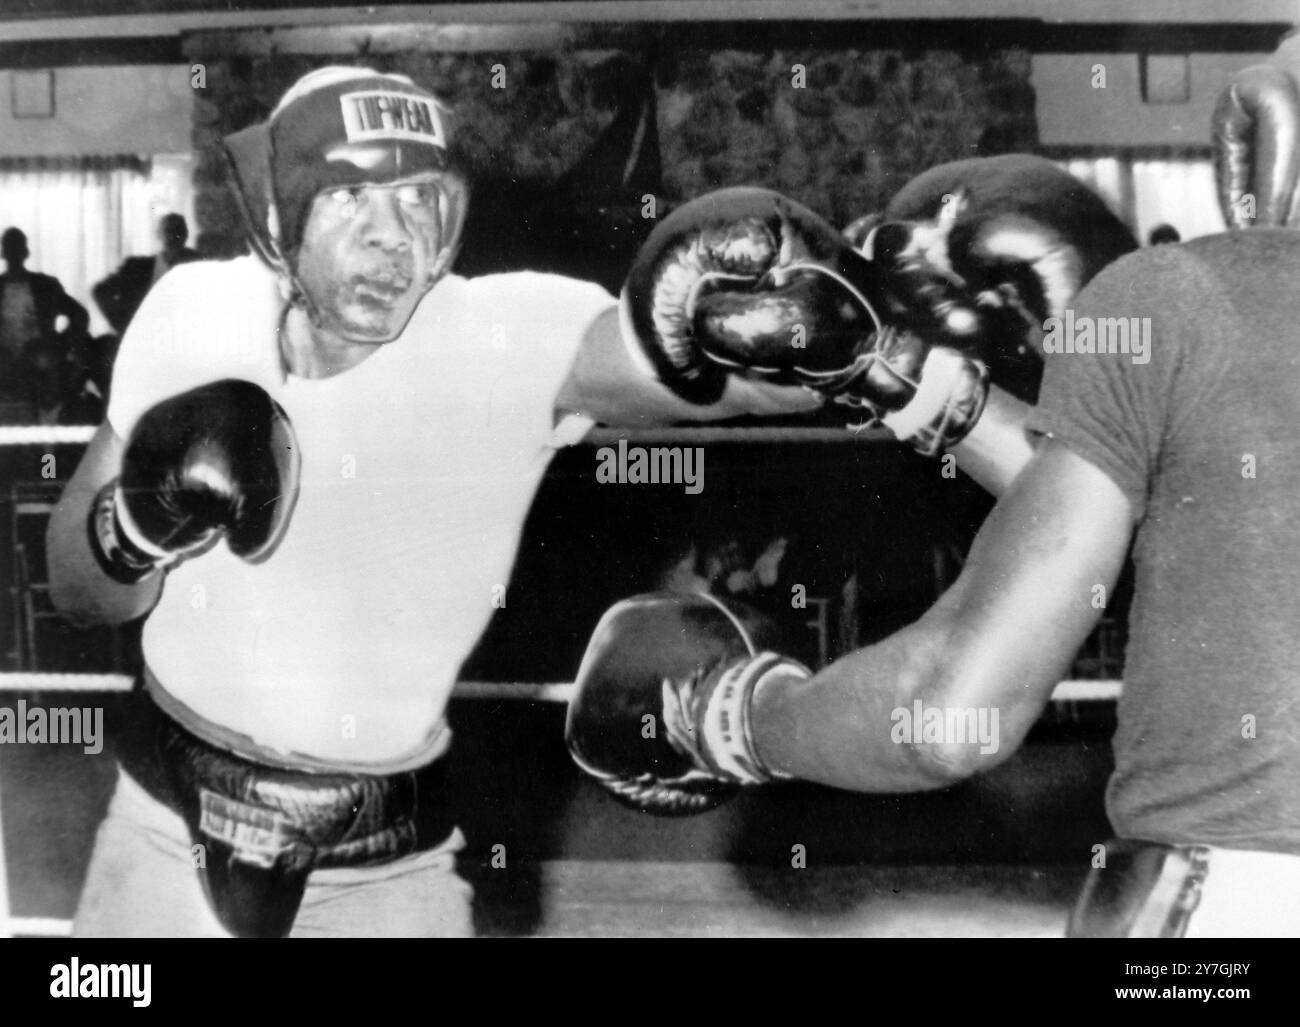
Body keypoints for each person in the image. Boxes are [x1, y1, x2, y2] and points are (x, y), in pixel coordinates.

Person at [51, 66, 986, 938]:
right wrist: (132, 526)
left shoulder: (496, 334)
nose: (395, 235)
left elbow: (718, 373)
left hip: (389, 872)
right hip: (159, 830)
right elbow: (80, 591)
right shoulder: (192, 313)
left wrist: (869, 327)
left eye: (423, 198)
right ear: (275, 215)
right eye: (350, 197)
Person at [566, 138, 1300, 935]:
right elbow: (1173, 513)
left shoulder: (1183, 296)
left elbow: (951, 720)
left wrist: (719, 713)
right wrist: (892, 369)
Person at [0, 226, 90, 418]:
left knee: (45, 365)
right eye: (9, 248)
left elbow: (79, 314)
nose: (13, 254)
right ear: (3, 253)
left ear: (25, 252)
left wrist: (62, 342)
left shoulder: (44, 285)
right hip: (3, 356)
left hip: (38, 355)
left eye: (17, 248)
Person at [93, 213, 200, 337]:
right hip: (147, 337)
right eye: (168, 231)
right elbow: (100, 291)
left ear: (186, 235)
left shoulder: (199, 265)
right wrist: (124, 326)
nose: (172, 236)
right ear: (158, 234)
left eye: (178, 231)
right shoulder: (137, 267)